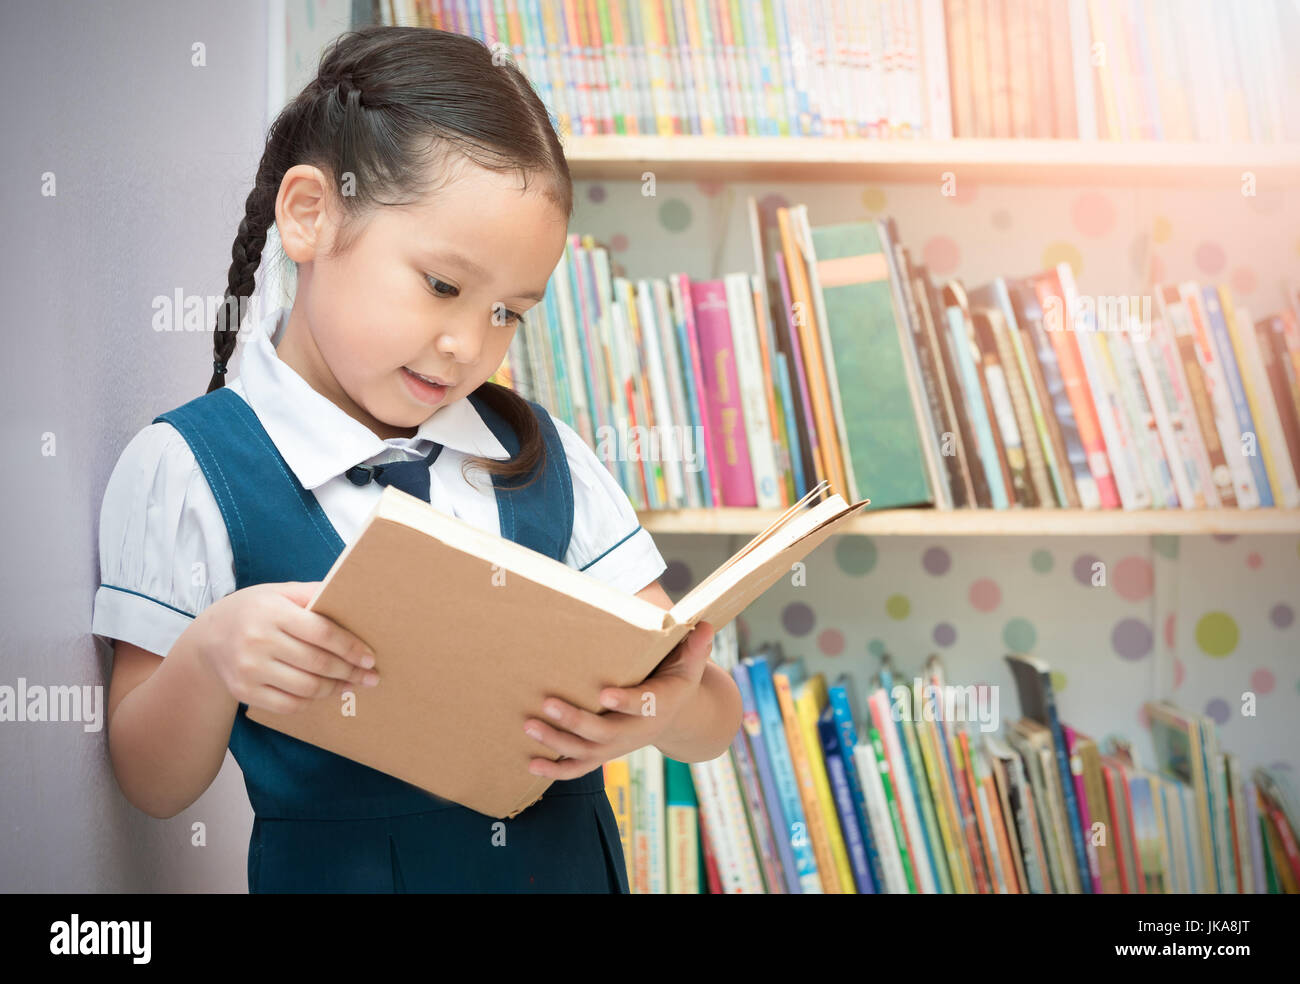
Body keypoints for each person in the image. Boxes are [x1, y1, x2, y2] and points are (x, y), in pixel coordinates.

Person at [94, 25, 739, 893]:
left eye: (509, 313)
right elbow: (150, 782)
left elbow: (712, 717)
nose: (467, 344)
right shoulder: (186, 469)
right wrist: (212, 655)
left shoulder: (541, 459)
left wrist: (655, 713)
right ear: (311, 215)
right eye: (442, 285)